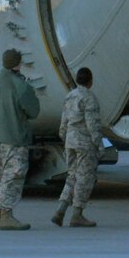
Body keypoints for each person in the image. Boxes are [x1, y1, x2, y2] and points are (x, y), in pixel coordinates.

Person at [0, 48, 40, 231]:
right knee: (13, 177)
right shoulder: (21, 86)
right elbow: (34, 111)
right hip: (14, 138)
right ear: (18, 63)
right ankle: (7, 215)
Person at [52, 67, 103, 228]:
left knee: (72, 176)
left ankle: (60, 210)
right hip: (84, 144)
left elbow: (63, 123)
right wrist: (99, 145)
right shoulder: (89, 98)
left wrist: (65, 137)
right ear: (91, 81)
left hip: (70, 141)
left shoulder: (70, 96)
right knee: (84, 178)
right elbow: (92, 124)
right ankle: (77, 214)